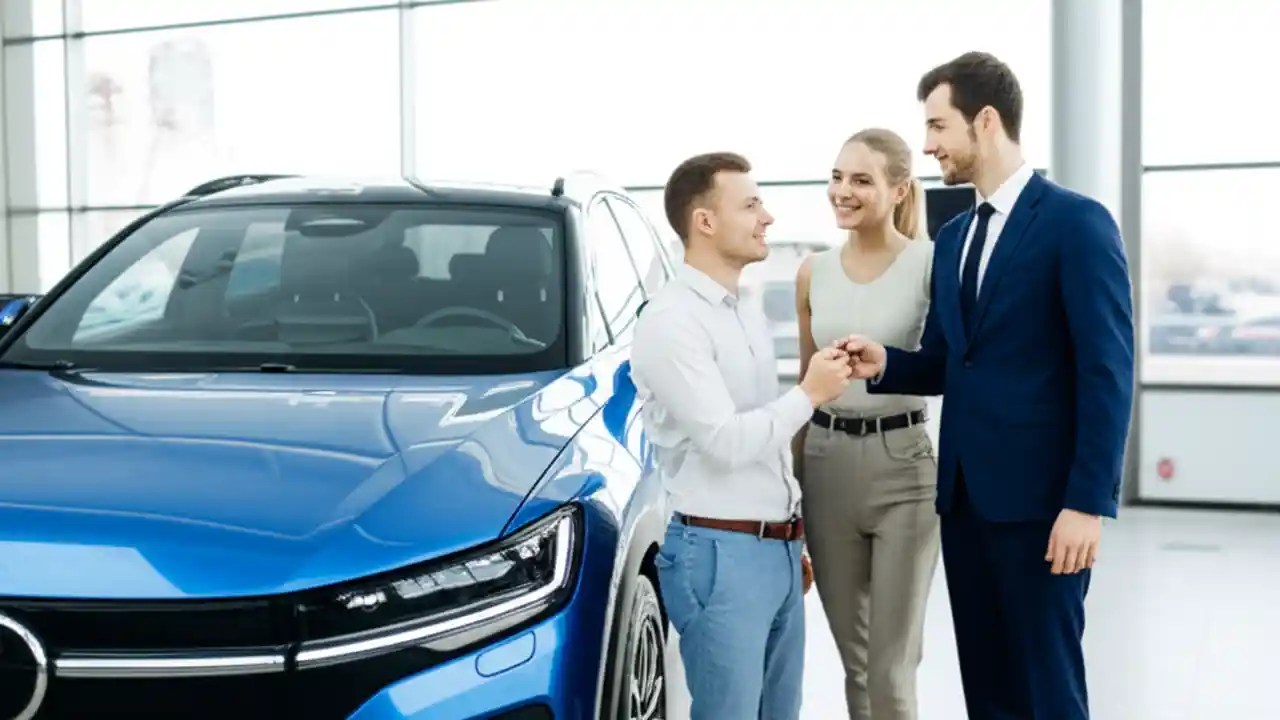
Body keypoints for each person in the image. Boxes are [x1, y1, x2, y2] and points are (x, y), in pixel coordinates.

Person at [837, 52, 1135, 720]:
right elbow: (951, 362)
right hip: (966, 506)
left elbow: (1107, 372)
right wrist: (884, 362)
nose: (928, 143)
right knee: (990, 692)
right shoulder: (954, 238)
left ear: (987, 121)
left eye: (939, 125)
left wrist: (1088, 503)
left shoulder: (1075, 223)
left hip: (1043, 510)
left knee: (1048, 690)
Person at [630, 151, 853, 720]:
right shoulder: (670, 322)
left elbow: (764, 436)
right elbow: (726, 442)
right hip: (719, 557)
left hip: (772, 550)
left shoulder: (741, 310)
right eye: (751, 204)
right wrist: (811, 392)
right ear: (704, 222)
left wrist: (787, 532)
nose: (767, 218)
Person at [793, 128, 939, 720]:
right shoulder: (812, 272)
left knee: (890, 669)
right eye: (836, 176)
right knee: (855, 664)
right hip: (826, 467)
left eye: (860, 179)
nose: (842, 191)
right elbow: (805, 386)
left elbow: (950, 362)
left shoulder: (931, 265)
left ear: (899, 190)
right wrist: (791, 498)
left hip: (904, 468)